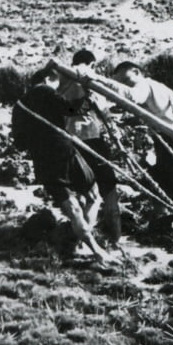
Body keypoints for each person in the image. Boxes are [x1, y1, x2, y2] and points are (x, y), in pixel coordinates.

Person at [11, 62, 109, 262]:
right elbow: (73, 109)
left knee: (72, 208)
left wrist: (36, 138)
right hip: (64, 151)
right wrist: (88, 96)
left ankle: (93, 248)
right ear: (48, 79)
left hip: (42, 160)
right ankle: (83, 244)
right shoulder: (47, 91)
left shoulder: (18, 107)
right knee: (93, 196)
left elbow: (19, 144)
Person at [107, 61, 173, 212]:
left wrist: (103, 81)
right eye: (120, 83)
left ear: (137, 72)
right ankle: (169, 219)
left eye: (126, 81)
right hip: (170, 138)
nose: (125, 85)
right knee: (162, 182)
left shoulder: (144, 85)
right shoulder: (156, 87)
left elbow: (133, 97)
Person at [52, 50, 121, 245]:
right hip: (92, 140)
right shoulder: (87, 76)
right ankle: (115, 239)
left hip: (69, 141)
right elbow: (102, 109)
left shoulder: (61, 81)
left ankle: (82, 242)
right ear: (92, 64)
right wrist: (113, 129)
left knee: (82, 192)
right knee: (108, 191)